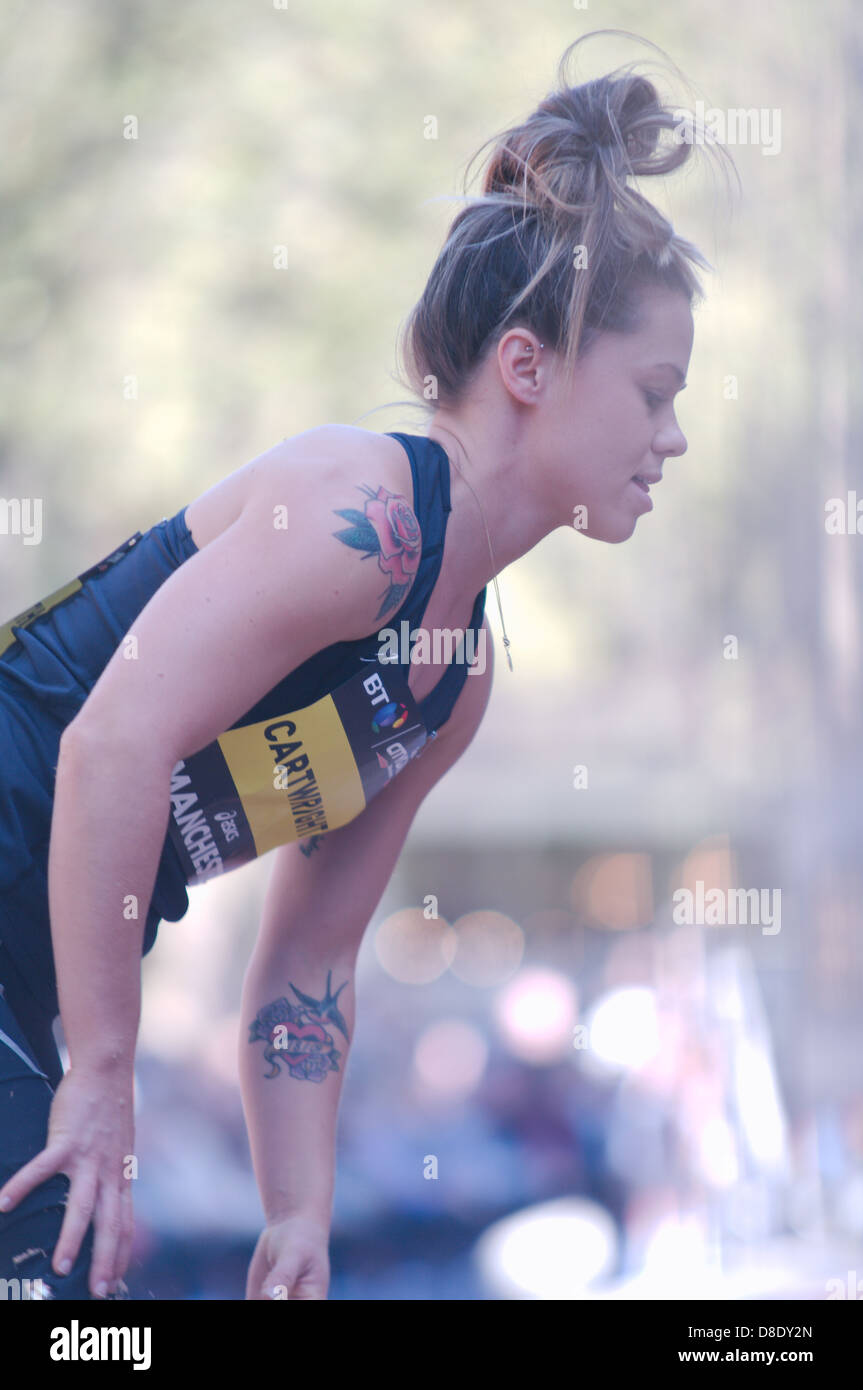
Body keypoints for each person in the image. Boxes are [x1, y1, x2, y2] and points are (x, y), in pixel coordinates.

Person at [0, 32, 732, 1300]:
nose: (671, 438)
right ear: (526, 368)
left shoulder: (453, 679)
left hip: (28, 961)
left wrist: (299, 1213)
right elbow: (108, 746)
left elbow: (304, 969)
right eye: (653, 392)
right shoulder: (361, 512)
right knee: (55, 1285)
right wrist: (106, 1074)